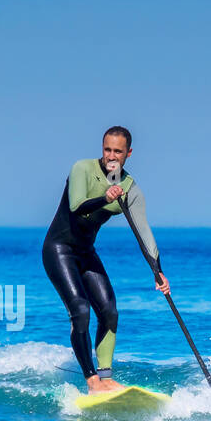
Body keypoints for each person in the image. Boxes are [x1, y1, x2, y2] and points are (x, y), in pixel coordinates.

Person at [42, 126, 170, 393]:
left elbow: (143, 233)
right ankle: (91, 382)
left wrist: (157, 271)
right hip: (59, 250)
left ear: (128, 153)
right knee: (80, 310)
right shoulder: (82, 169)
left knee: (109, 311)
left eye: (118, 152)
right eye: (107, 150)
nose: (111, 156)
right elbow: (77, 207)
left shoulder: (130, 189)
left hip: (86, 252)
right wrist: (104, 198)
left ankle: (106, 377)